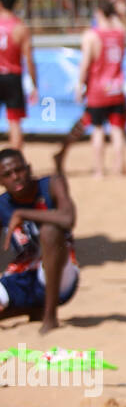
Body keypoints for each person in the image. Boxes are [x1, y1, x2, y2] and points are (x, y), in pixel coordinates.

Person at [0, 142, 79, 335]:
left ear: (29, 169)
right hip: (23, 275)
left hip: (60, 275)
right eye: (8, 174)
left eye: (19, 170)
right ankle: (33, 309)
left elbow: (68, 218)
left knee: (50, 231)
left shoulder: (50, 185)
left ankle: (50, 317)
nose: (15, 177)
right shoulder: (2, 205)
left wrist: (24, 214)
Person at [76, 0, 126, 177]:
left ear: (98, 12)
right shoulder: (120, 33)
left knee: (98, 129)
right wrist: (116, 13)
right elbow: (120, 25)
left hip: (98, 89)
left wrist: (79, 86)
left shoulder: (91, 35)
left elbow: (85, 64)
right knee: (117, 130)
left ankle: (99, 170)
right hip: (116, 88)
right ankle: (118, 169)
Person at [0, 0, 38, 149]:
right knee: (15, 122)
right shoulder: (20, 28)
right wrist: (34, 84)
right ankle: (17, 162)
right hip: (13, 77)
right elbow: (29, 59)